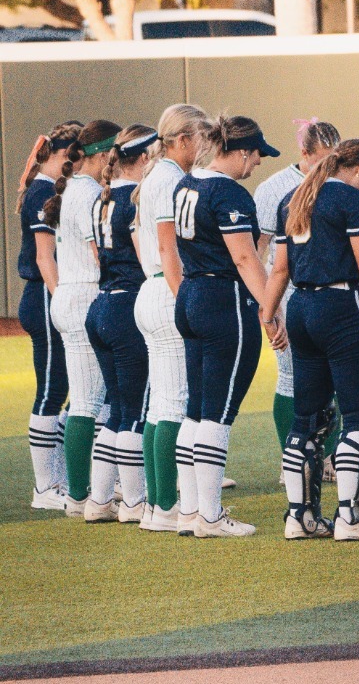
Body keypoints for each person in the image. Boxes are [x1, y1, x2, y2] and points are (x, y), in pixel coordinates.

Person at [266, 139, 359, 541]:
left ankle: (299, 517)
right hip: (343, 308)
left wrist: (268, 314)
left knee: (309, 419)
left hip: (301, 307)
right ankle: (352, 519)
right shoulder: (349, 199)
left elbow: (280, 268)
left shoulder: (294, 197)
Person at [171, 115, 278, 537]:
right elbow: (245, 257)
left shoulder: (186, 183)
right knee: (216, 411)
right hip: (222, 300)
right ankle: (210, 516)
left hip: (193, 294)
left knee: (196, 409)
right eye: (255, 156)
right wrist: (270, 309)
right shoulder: (227, 191)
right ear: (241, 151)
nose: (256, 165)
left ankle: (191, 510)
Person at [254, 120, 342, 457]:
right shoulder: (274, 188)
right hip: (288, 290)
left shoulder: (339, 183)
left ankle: (328, 454)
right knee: (291, 374)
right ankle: (291, 455)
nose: (329, 164)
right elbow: (258, 250)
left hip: (333, 288)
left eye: (335, 157)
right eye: (323, 157)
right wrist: (268, 306)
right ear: (304, 152)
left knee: (332, 373)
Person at [136, 106, 206, 531]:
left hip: (152, 288)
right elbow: (168, 248)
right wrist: (185, 300)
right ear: (182, 140)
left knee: (161, 405)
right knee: (174, 403)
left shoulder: (153, 176)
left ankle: (158, 504)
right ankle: (165, 507)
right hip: (167, 287)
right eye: (200, 137)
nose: (204, 146)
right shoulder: (170, 179)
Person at [83, 126, 157, 523]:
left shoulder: (102, 199)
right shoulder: (134, 200)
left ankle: (99, 500)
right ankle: (131, 503)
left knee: (115, 408)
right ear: (144, 158)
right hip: (128, 306)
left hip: (102, 305)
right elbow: (147, 261)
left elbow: (97, 256)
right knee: (134, 409)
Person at [53, 120, 118, 517]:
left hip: (67, 294)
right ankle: (90, 495)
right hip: (88, 294)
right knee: (96, 401)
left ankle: (79, 494)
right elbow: (101, 253)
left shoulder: (72, 188)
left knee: (84, 399)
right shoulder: (91, 193)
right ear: (104, 153)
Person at [18, 123, 79, 511]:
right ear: (60, 156)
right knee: (52, 392)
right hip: (44, 296)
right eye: (72, 158)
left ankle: (59, 480)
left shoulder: (45, 189)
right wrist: (63, 305)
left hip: (47, 295)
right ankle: (45, 488)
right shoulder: (42, 191)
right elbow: (44, 258)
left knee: (65, 390)